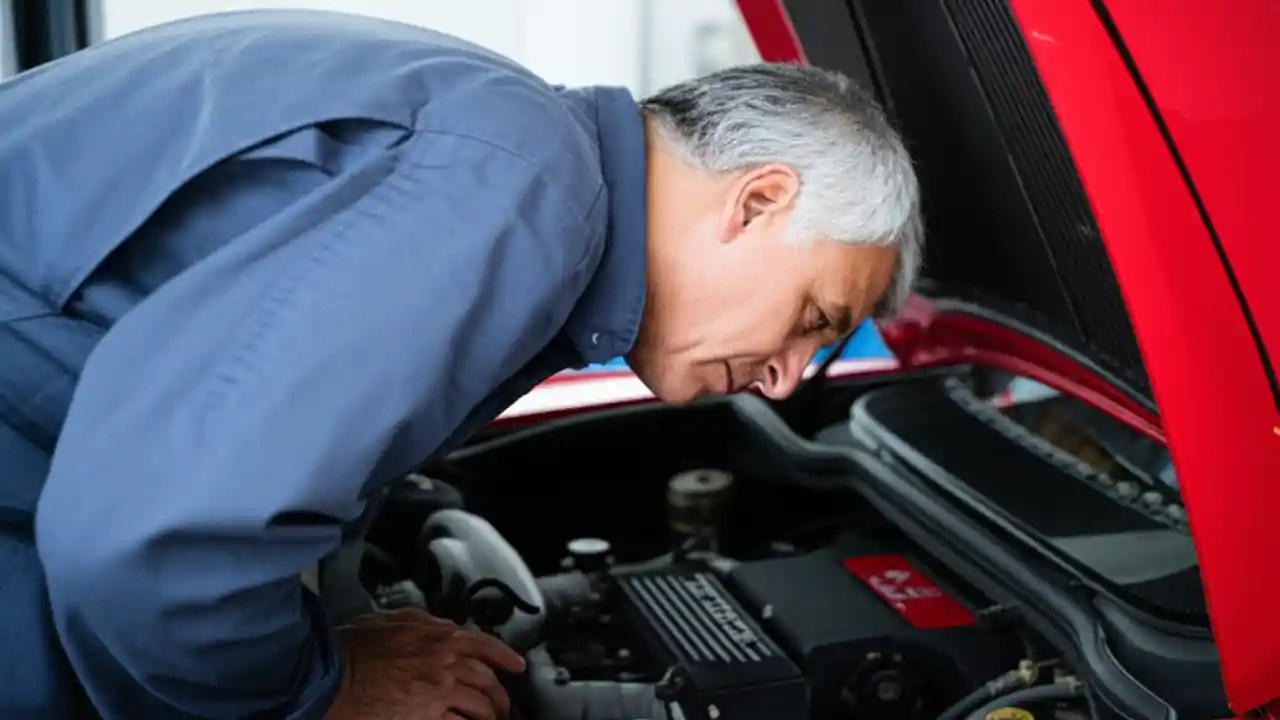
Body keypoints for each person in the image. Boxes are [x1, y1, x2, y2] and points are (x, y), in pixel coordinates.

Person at [0, 9, 922, 720]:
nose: (790, 380)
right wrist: (316, 692)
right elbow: (158, 545)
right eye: (813, 317)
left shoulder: (509, 148)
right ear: (758, 200)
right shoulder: (524, 192)